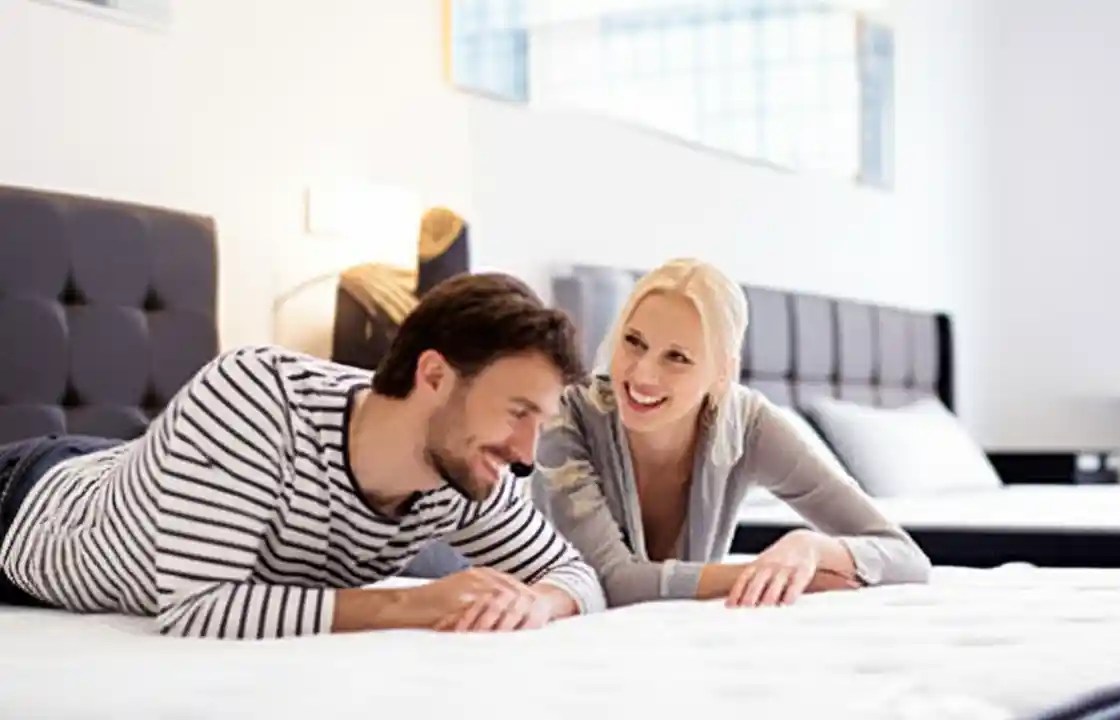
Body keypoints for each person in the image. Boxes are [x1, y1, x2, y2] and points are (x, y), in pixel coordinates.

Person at [0, 273, 605, 639]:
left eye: (539, 422)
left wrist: (538, 599)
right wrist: (414, 602)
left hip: (131, 472)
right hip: (31, 505)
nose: (526, 454)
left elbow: (579, 577)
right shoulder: (254, 397)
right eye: (516, 411)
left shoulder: (471, 470)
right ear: (435, 375)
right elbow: (196, 610)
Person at [532, 259, 931, 608]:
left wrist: (811, 547)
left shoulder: (746, 422)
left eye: (677, 357)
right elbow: (614, 582)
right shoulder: (566, 415)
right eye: (634, 343)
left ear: (721, 372)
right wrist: (764, 574)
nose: (642, 374)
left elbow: (907, 557)